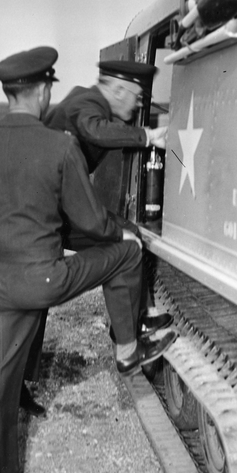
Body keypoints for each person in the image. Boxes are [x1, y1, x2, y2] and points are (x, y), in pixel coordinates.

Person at [0, 47, 176, 473]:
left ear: (10, 92)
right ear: (44, 90)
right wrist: (123, 230)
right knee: (126, 254)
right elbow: (92, 221)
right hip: (44, 278)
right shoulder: (60, 147)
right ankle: (127, 349)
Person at [44, 59, 172, 341]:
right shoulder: (86, 103)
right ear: (117, 91)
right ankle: (129, 331)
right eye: (137, 98)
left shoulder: (87, 100)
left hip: (55, 210)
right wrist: (147, 136)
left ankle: (135, 320)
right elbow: (96, 130)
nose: (139, 105)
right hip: (49, 215)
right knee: (123, 238)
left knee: (129, 232)